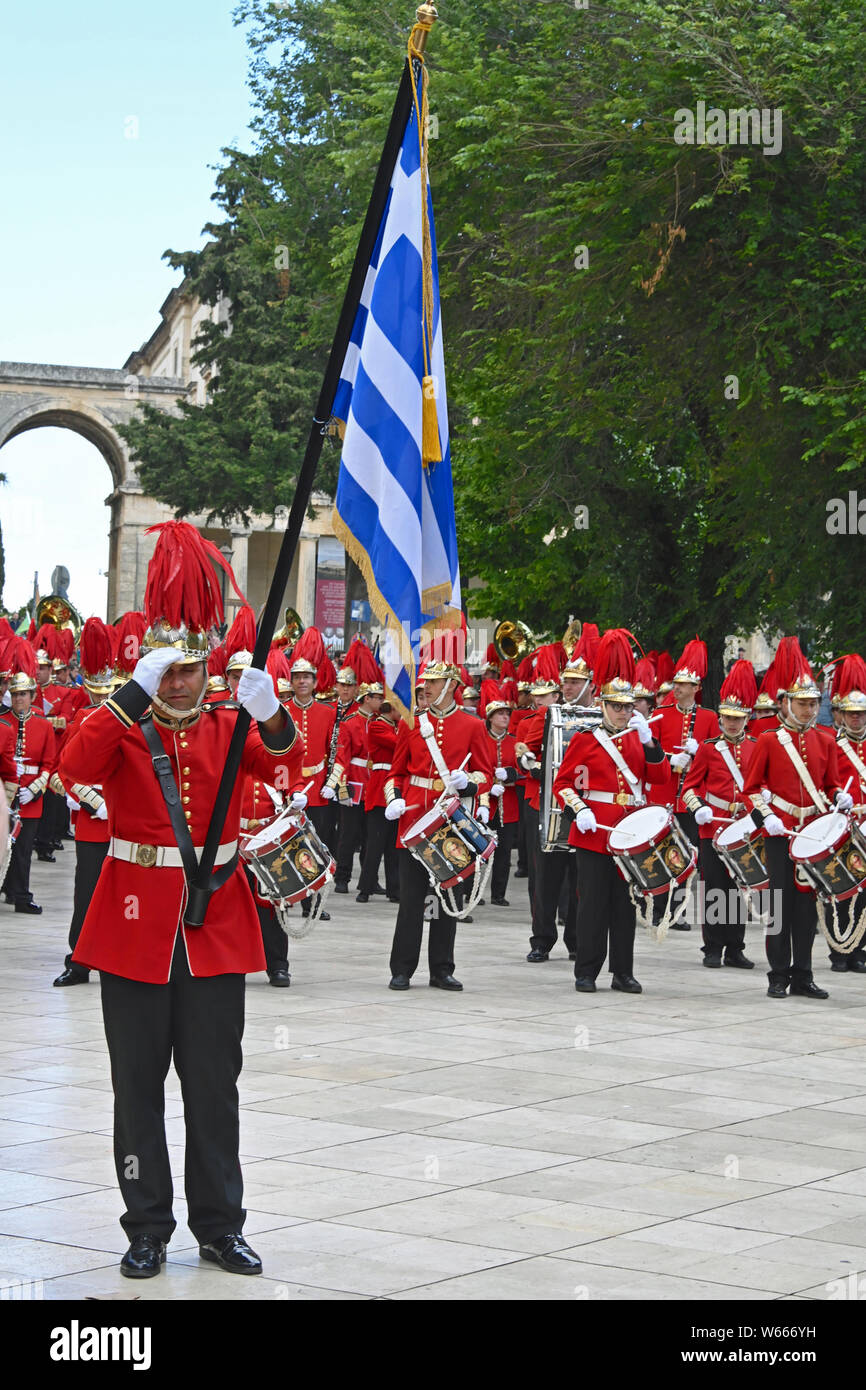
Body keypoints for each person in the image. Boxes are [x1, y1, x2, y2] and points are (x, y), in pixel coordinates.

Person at [59, 520, 303, 1280]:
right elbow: (75, 766)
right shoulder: (124, 725)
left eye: (190, 670)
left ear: (207, 669)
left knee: (212, 1086)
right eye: (167, 672)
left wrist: (268, 709)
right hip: (133, 926)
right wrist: (130, 693)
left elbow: (286, 755)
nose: (180, 684)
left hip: (213, 927)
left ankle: (221, 1226)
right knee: (137, 1089)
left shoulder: (230, 727)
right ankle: (146, 1225)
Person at [553, 629, 668, 993]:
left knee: (624, 906)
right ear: (602, 705)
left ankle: (623, 971)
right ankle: (586, 971)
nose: (623, 712)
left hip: (629, 832)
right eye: (617, 706)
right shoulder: (586, 739)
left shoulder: (640, 737)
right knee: (592, 906)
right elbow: (563, 783)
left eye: (627, 706)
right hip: (594, 831)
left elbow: (661, 778)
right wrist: (579, 808)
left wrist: (650, 743)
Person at [384, 657, 493, 991]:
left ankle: (442, 968)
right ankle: (402, 968)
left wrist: (468, 782)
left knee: (449, 897)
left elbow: (485, 774)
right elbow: (396, 773)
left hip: (451, 823)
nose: (426, 688)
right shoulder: (411, 723)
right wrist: (394, 798)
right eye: (425, 682)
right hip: (415, 819)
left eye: (432, 683)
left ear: (451, 687)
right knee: (412, 901)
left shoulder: (473, 725)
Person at [743, 664, 847, 999]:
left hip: (813, 834)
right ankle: (778, 975)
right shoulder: (770, 740)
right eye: (803, 703)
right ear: (787, 704)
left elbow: (829, 784)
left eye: (814, 703)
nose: (809, 710)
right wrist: (766, 816)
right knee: (779, 907)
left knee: (806, 908)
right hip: (780, 832)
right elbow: (751, 788)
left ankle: (803, 974)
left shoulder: (826, 740)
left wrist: (838, 796)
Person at [681, 660, 758, 969]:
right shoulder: (709, 749)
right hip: (712, 826)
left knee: (740, 888)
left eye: (737, 719)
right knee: (715, 888)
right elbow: (690, 786)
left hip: (744, 828)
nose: (732, 724)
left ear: (747, 719)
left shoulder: (756, 746)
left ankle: (735, 948)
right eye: (727, 719)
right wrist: (698, 807)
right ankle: (712, 947)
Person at [52, 618, 116, 986]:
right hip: (94, 823)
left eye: (106, 690)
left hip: (124, 822)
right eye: (96, 690)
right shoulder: (80, 719)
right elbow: (66, 770)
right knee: (87, 894)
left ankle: (117, 957)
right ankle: (78, 960)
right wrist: (93, 802)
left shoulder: (129, 720)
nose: (101, 696)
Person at [649, 638, 719, 930]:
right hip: (664, 794)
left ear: (696, 688)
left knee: (687, 854)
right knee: (662, 854)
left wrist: (698, 750)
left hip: (691, 798)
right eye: (675, 683)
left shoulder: (709, 717)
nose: (676, 688)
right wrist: (670, 757)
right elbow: (648, 752)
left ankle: (677, 910)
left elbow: (716, 755)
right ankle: (658, 908)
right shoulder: (661, 715)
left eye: (683, 684)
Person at [0, 640, 56, 913]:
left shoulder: (44, 726)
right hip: (5, 794)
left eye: (25, 694)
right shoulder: (3, 723)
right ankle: (8, 890)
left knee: (23, 850)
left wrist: (35, 788)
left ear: (33, 696)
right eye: (16, 694)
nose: (20, 699)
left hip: (30, 796)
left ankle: (20, 895)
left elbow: (50, 763)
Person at [823, 653, 866, 973]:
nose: (856, 719)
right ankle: (839, 949)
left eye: (861, 714)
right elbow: (824, 786)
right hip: (844, 826)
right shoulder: (832, 746)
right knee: (841, 889)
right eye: (851, 714)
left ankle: (859, 950)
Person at [323, 681, 383, 892]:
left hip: (374, 784)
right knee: (348, 835)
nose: (381, 701)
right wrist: (341, 788)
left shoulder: (379, 722)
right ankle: (342, 877)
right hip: (354, 782)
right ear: (367, 699)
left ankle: (369, 879)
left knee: (371, 836)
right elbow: (342, 757)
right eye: (378, 697)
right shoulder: (349, 723)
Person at [356, 699, 400, 903]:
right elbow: (398, 744)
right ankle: (365, 887)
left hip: (395, 787)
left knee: (393, 845)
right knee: (375, 844)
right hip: (381, 786)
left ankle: (394, 889)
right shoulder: (377, 725)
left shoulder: (395, 727)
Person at [484, 699, 519, 906]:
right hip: (485, 804)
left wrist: (509, 773)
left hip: (508, 805)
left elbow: (523, 771)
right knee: (479, 850)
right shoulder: (480, 739)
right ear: (490, 718)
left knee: (504, 853)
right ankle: (473, 891)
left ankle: (498, 894)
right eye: (500, 714)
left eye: (507, 714)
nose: (505, 717)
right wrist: (489, 785)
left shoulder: (514, 742)